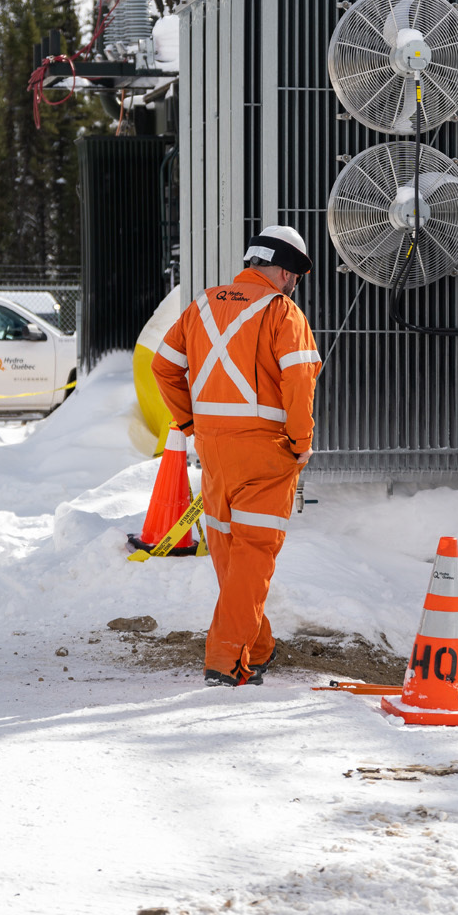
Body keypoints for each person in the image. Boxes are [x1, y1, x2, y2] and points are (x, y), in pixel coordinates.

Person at [152, 226, 321, 687]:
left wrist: (189, 423)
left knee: (230, 551)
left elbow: (163, 366)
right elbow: (299, 381)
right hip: (266, 451)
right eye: (295, 277)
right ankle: (227, 660)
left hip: (213, 450)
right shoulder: (283, 312)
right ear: (286, 271)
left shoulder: (203, 304)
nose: (294, 285)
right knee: (253, 554)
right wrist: (301, 442)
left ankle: (259, 646)